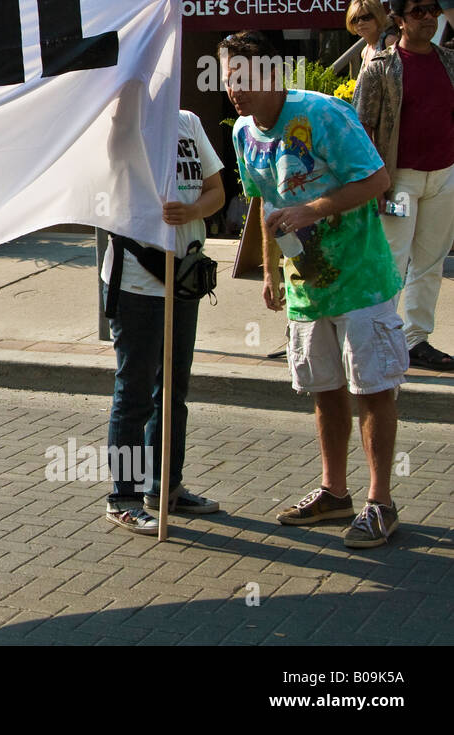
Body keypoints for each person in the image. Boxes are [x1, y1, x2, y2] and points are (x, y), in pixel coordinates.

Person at [222, 30, 405, 548]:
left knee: (371, 387)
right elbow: (261, 199)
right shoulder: (242, 132)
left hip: (360, 279)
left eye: (246, 77)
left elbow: (375, 181)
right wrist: (270, 270)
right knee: (324, 390)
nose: (235, 89)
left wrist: (311, 210)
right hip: (307, 287)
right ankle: (334, 491)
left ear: (274, 75)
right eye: (229, 78)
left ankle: (380, 502)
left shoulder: (323, 115)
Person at [100, 110, 226, 534]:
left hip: (183, 275)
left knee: (173, 388)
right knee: (133, 392)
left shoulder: (189, 120)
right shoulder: (123, 120)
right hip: (138, 281)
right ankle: (124, 496)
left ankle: (165, 487)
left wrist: (191, 208)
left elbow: (217, 192)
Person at [352, 0, 454, 371]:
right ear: (398, 20)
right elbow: (360, 127)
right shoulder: (381, 67)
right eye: (418, 12)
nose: (428, 17)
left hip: (443, 176)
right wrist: (373, 183)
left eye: (433, 9)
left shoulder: (449, 62)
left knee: (431, 262)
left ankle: (416, 340)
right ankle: (379, 336)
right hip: (400, 181)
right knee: (392, 260)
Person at [345, 0, 397, 71]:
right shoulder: (365, 52)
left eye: (366, 18)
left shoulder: (390, 42)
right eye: (355, 20)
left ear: (378, 17)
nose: (360, 23)